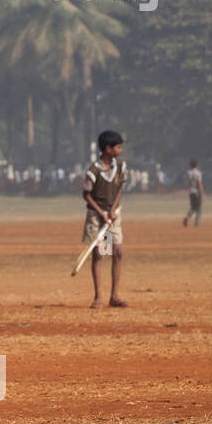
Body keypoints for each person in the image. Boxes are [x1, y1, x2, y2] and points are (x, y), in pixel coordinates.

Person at [81, 130, 126, 309]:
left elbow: (120, 188)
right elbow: (86, 195)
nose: (120, 150)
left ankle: (114, 295)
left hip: (112, 218)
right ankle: (99, 296)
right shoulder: (94, 171)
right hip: (97, 218)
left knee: (118, 252)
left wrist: (113, 209)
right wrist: (101, 212)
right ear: (108, 149)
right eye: (118, 147)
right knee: (100, 254)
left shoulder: (120, 167)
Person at [182, 159, 203, 227]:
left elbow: (187, 182)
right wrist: (202, 193)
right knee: (199, 209)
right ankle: (196, 224)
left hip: (191, 191)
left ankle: (187, 217)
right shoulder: (198, 173)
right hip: (197, 192)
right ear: (197, 165)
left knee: (193, 207)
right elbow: (199, 184)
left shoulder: (188, 173)